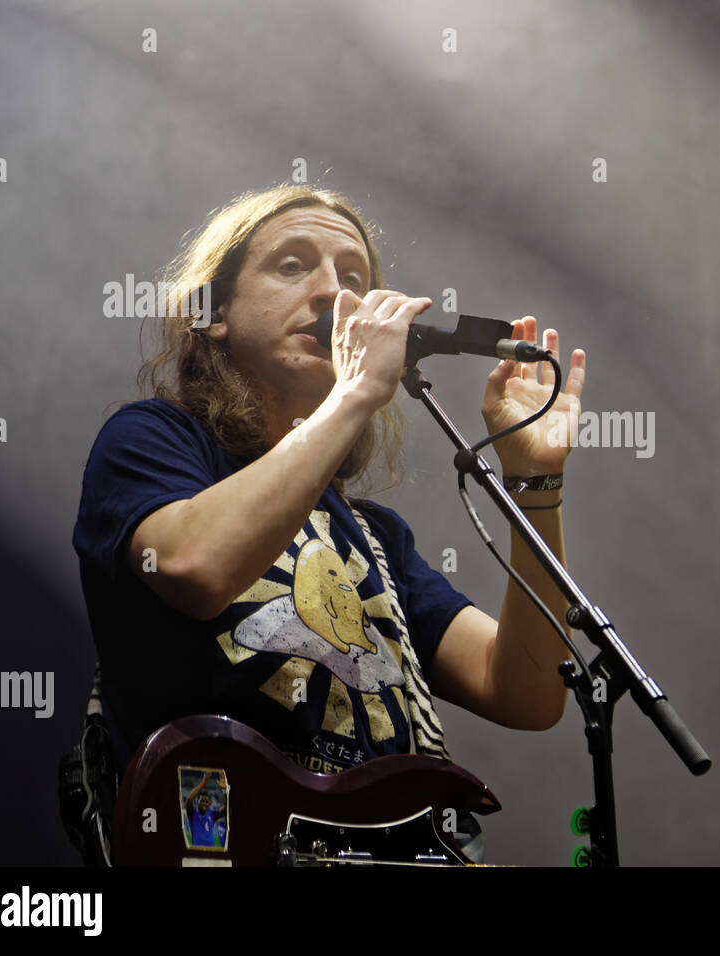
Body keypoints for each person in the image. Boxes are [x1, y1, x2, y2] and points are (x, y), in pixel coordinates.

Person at [72, 185, 586, 802]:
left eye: (352, 276)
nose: (333, 294)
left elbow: (525, 693)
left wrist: (535, 484)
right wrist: (355, 393)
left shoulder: (375, 536)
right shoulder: (151, 441)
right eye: (291, 265)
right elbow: (194, 567)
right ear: (214, 313)